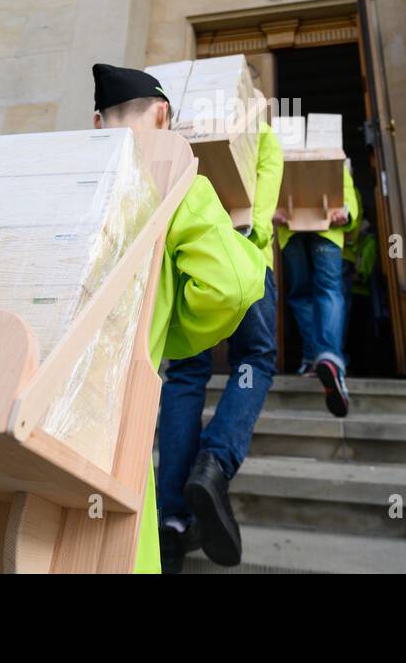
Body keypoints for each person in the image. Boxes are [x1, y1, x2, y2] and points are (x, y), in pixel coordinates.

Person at [90, 63, 265, 574]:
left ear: (97, 123)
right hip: (116, 417)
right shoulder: (172, 180)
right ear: (164, 114)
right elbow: (227, 286)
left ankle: (175, 515)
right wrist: (178, 333)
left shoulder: (59, 178)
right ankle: (209, 469)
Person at [157, 91, 282, 573]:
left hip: (190, 262)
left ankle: (172, 520)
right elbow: (265, 189)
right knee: (255, 360)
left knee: (187, 372)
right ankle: (214, 464)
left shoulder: (177, 133)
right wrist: (252, 233)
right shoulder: (258, 129)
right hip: (245, 259)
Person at [276, 157, 360, 417]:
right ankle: (328, 357)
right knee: (329, 291)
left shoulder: (279, 158)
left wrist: (270, 210)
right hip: (326, 228)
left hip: (291, 230)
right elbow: (347, 189)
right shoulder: (334, 157)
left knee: (302, 294)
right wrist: (347, 213)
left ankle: (314, 358)